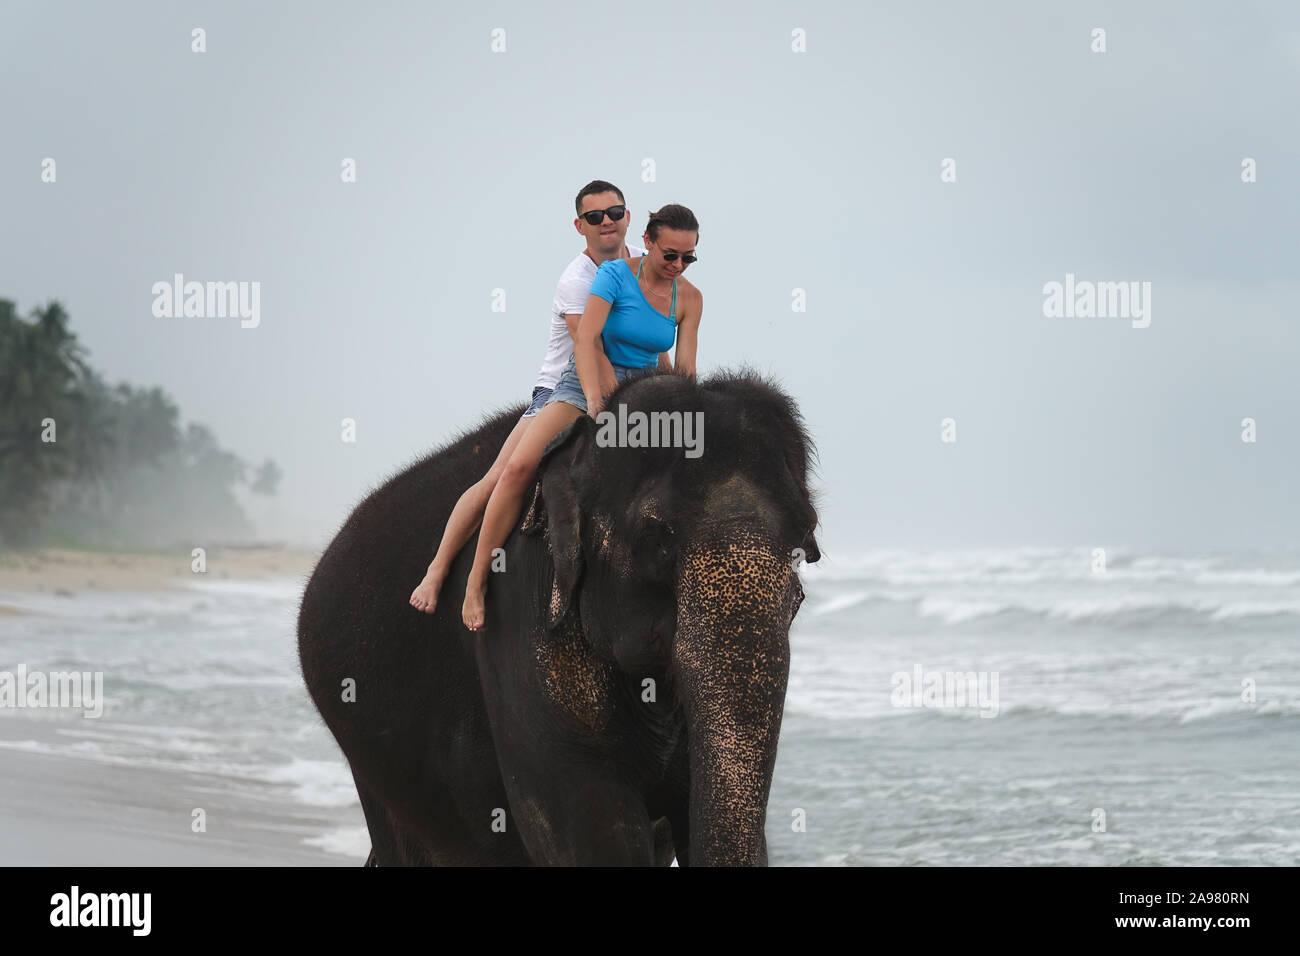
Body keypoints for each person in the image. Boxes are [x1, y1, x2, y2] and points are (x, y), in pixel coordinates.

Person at [409, 180, 647, 614]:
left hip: (625, 383)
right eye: (595, 217)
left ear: (629, 216)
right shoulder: (577, 280)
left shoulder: (644, 269)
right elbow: (589, 347)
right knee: (509, 472)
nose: (607, 222)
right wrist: (608, 404)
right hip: (565, 386)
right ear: (580, 226)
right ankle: (451, 573)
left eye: (615, 212)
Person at [462, 203, 702, 630]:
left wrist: (689, 421)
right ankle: (477, 581)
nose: (678, 265)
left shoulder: (690, 299)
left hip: (644, 393)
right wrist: (594, 401)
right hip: (584, 382)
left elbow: (684, 372)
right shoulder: (613, 276)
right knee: (517, 468)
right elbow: (587, 339)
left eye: (688, 257)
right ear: (647, 243)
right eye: (670, 255)